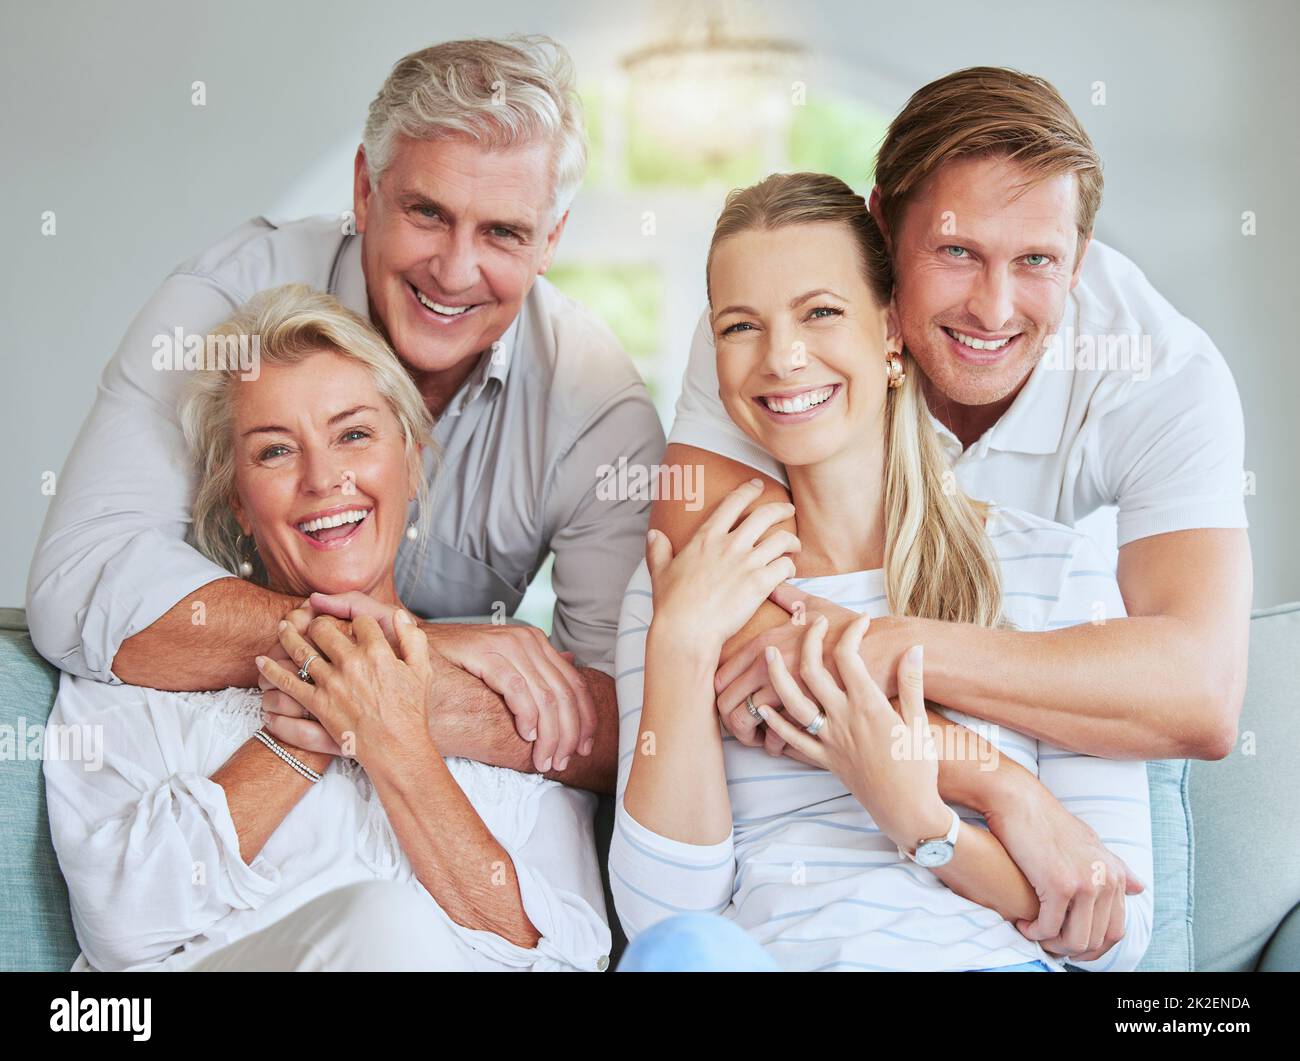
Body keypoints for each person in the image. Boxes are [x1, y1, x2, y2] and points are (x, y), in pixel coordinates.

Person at [648, 67, 1248, 947]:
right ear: (885, 229)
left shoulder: (1163, 375)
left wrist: (894, 644)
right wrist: (1003, 783)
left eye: (1037, 261)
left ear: (1078, 260)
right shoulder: (778, 334)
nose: (993, 308)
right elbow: (714, 618)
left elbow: (1198, 695)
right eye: (957, 252)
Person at [26, 36, 664, 791]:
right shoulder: (223, 312)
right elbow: (78, 587)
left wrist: (387, 701)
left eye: (502, 232)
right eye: (428, 213)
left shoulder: (595, 411)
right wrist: (420, 646)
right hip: (219, 755)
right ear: (365, 190)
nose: (454, 272)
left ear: (550, 240)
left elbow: (630, 730)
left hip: (453, 795)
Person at [610, 173, 1152, 971]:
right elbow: (663, 919)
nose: (782, 359)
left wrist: (923, 822)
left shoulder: (1053, 569)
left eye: (821, 312)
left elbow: (1115, 931)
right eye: (740, 326)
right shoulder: (687, 589)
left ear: (891, 330)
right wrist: (681, 645)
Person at [43, 286, 611, 972]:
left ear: (410, 460)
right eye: (276, 451)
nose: (323, 477)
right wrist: (310, 725)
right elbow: (120, 923)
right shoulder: (147, 673)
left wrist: (394, 741)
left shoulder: (506, 686)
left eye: (353, 434)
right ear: (240, 505)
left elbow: (570, 952)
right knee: (387, 924)